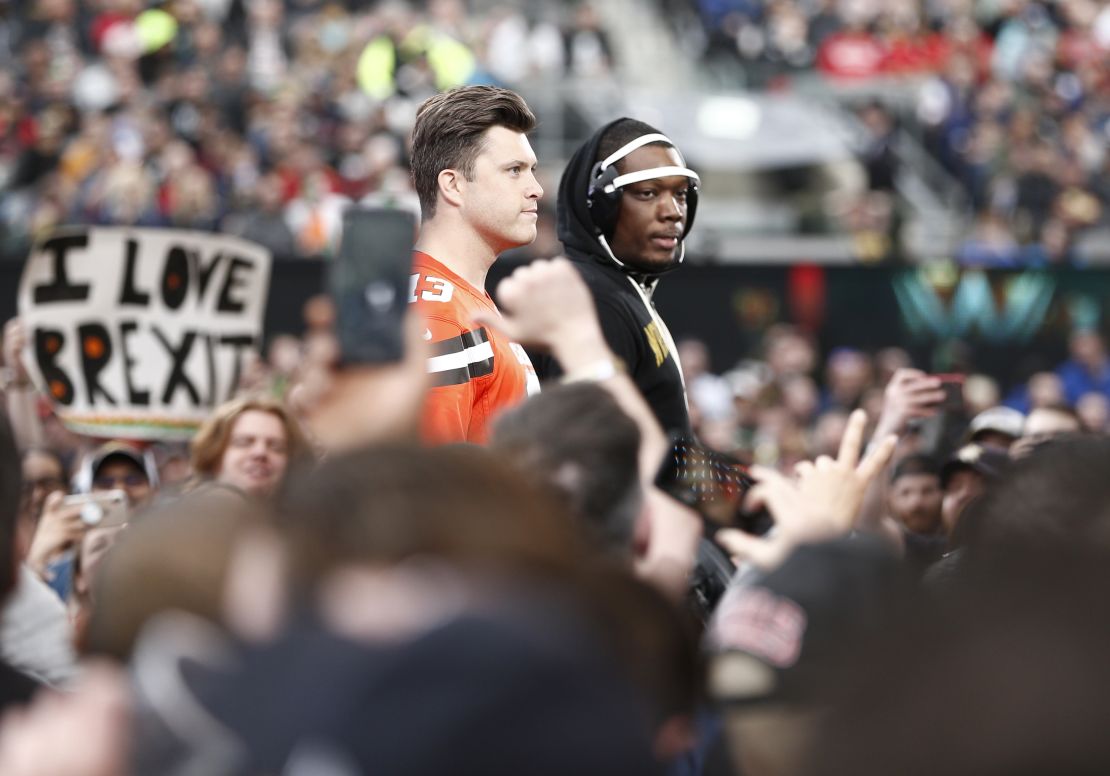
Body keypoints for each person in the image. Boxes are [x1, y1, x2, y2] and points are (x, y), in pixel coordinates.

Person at [546, 117, 701, 436]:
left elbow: (664, 448)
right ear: (601, 204)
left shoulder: (622, 292)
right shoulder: (594, 300)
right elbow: (591, 460)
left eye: (681, 195)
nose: (672, 211)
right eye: (648, 193)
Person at [408, 85, 542, 444]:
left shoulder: (455, 300)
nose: (536, 188)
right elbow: (432, 487)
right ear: (453, 185)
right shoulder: (436, 313)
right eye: (514, 170)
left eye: (531, 169)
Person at [190, 395, 311, 500]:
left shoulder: (310, 524)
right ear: (214, 455)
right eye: (243, 442)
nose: (260, 452)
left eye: (276, 447)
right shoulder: (180, 520)